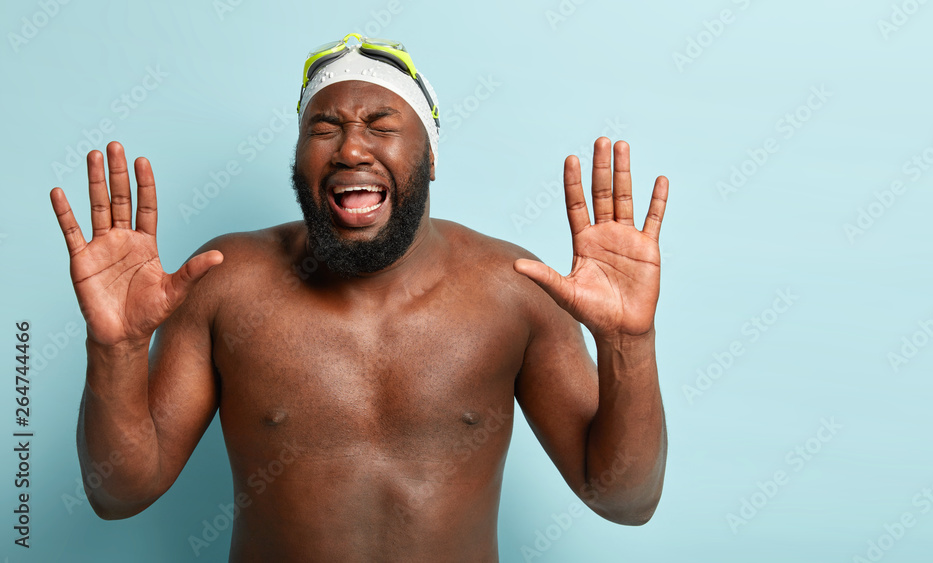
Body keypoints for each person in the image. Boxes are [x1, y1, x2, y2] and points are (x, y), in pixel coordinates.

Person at [49, 34, 669, 562]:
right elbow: (120, 493)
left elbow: (623, 499)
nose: (349, 149)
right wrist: (116, 348)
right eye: (324, 129)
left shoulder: (516, 289)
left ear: (429, 161)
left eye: (381, 126)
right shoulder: (222, 280)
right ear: (298, 159)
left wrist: (627, 344)